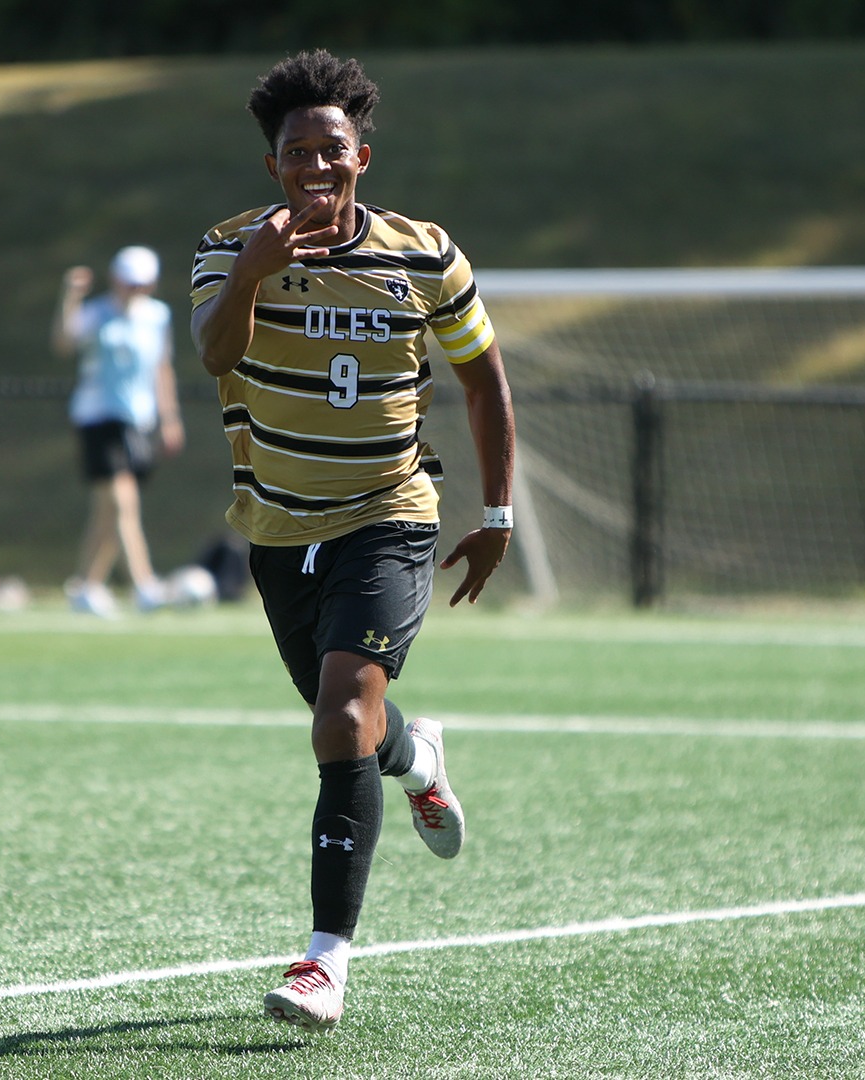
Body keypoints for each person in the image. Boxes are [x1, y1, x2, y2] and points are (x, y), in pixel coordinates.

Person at [189, 50, 516, 1031]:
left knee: (337, 722)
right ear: (274, 165)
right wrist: (256, 272)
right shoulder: (228, 245)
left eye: (332, 149)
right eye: (297, 152)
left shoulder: (426, 255)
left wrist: (497, 515)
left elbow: (484, 381)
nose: (316, 167)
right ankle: (420, 759)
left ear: (360, 156)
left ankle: (323, 963)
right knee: (357, 727)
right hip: (278, 528)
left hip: (389, 516)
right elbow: (215, 354)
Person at [51, 245, 185, 617]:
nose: (135, 290)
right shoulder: (96, 313)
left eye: (142, 284)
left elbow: (162, 368)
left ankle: (86, 586)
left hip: (137, 420)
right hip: (98, 418)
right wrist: (70, 296)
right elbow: (63, 342)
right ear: (115, 280)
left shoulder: (157, 316)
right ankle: (144, 584)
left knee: (106, 512)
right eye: (130, 283)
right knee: (123, 502)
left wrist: (169, 418)